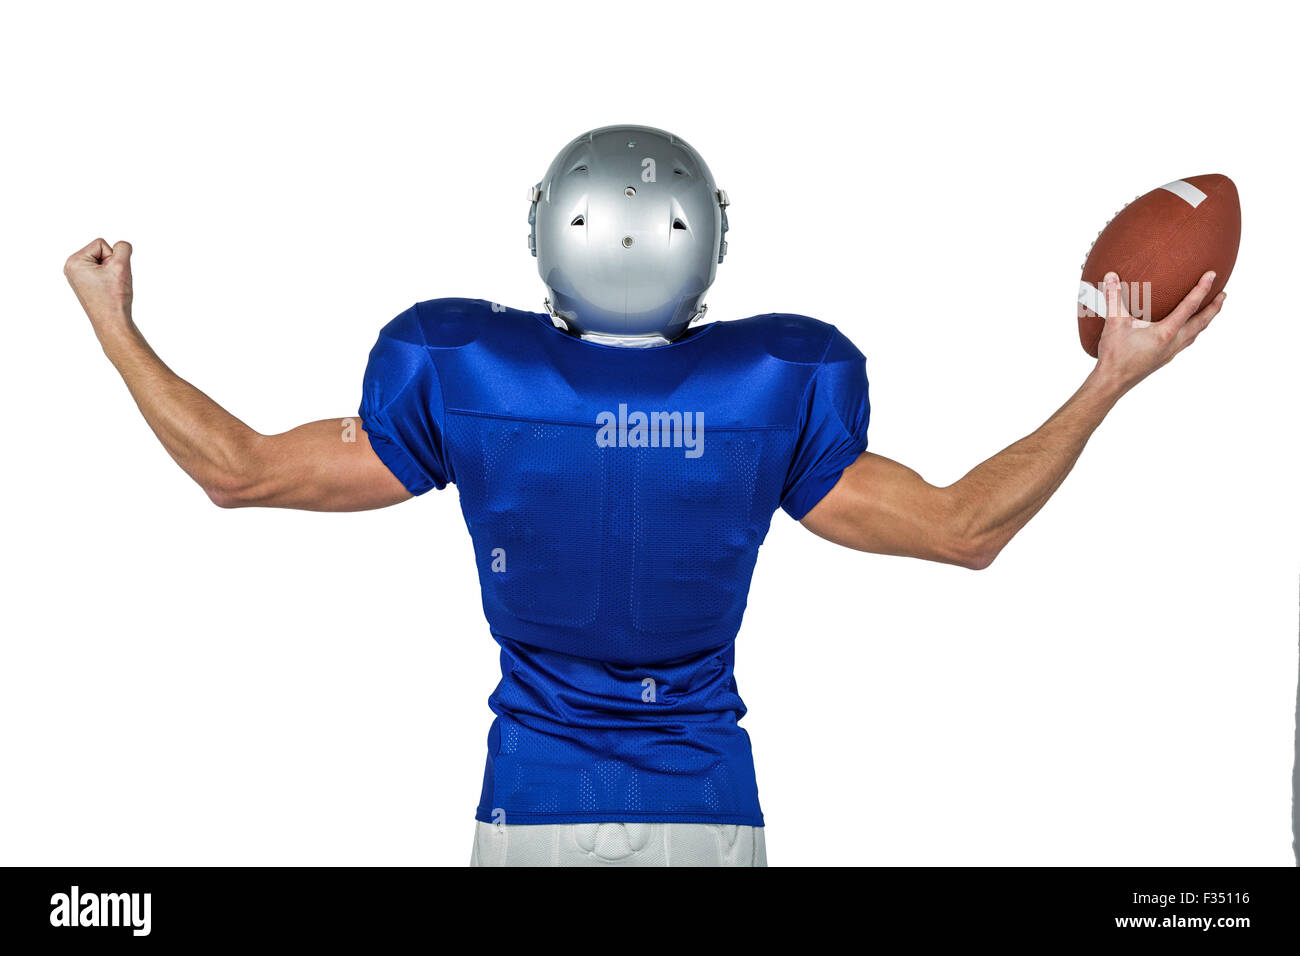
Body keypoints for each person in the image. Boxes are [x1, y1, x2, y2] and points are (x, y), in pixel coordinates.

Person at [63, 125, 1226, 867]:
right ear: (708, 246)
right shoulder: (779, 384)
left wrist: (117, 329)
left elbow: (238, 469)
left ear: (546, 237)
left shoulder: (466, 371)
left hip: (530, 796)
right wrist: (1108, 383)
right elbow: (968, 529)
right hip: (707, 804)